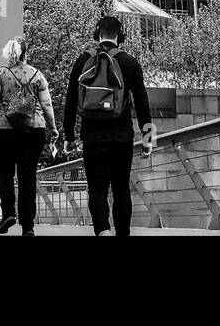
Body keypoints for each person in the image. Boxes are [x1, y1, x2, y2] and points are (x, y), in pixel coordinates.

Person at [63, 15, 153, 236]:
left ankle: (103, 230)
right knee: (122, 189)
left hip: (92, 137)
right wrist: (148, 137)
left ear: (97, 34)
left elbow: (71, 101)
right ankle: (122, 233)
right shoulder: (130, 63)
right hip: (121, 138)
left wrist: (68, 136)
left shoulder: (82, 60)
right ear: (120, 36)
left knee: (97, 189)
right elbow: (142, 103)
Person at [0, 35, 58, 235]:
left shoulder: (0, 72)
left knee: (5, 174)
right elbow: (47, 105)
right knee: (28, 175)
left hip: (3, 130)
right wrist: (53, 128)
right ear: (26, 53)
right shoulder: (37, 75)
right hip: (33, 129)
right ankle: (28, 226)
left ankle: (8, 212)